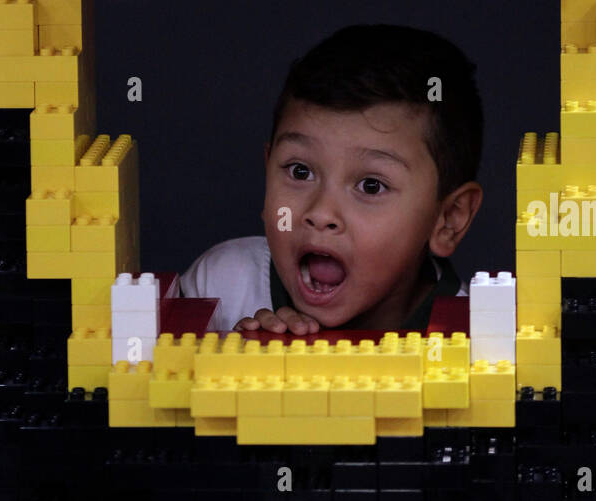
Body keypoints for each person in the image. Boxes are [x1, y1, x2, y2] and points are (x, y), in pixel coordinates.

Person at [180, 23, 483, 334]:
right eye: (300, 171)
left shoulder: (478, 343)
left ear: (449, 218)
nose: (321, 214)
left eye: (371, 186)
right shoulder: (220, 289)